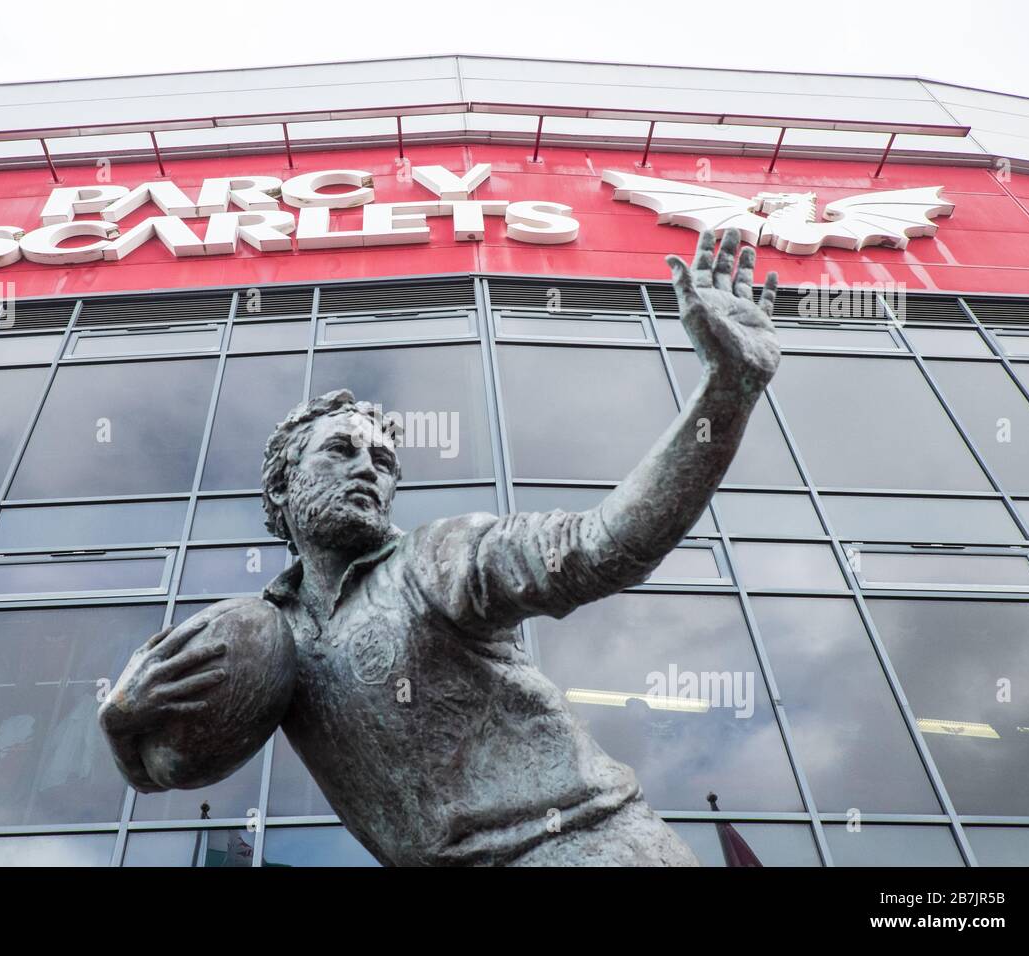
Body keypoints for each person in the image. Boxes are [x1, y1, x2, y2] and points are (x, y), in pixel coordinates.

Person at [100, 228, 780, 866]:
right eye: (342, 450)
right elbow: (168, 769)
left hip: (585, 848)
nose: (370, 467)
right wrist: (123, 720)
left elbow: (604, 545)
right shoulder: (263, 640)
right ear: (281, 489)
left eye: (385, 459)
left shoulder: (437, 558)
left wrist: (726, 391)